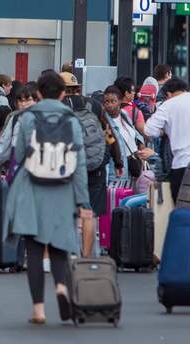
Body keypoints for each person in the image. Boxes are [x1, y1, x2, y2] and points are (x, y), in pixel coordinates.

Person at [0, 71, 91, 325]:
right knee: (60, 246)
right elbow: (79, 163)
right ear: (63, 94)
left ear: (38, 93)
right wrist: (83, 201)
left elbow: (19, 153)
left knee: (35, 249)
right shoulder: (71, 120)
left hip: (32, 187)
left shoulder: (26, 118)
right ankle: (61, 287)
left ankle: (38, 309)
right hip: (63, 189)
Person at [61, 72, 118, 258]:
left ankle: (70, 251)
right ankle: (89, 255)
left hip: (68, 166)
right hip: (96, 164)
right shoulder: (94, 105)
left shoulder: (58, 106)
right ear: (78, 87)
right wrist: (117, 161)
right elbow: (109, 134)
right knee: (90, 213)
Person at [144, 77, 190, 203]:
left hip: (182, 163)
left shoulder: (168, 104)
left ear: (168, 94)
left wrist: (163, 131)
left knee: (182, 205)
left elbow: (149, 130)